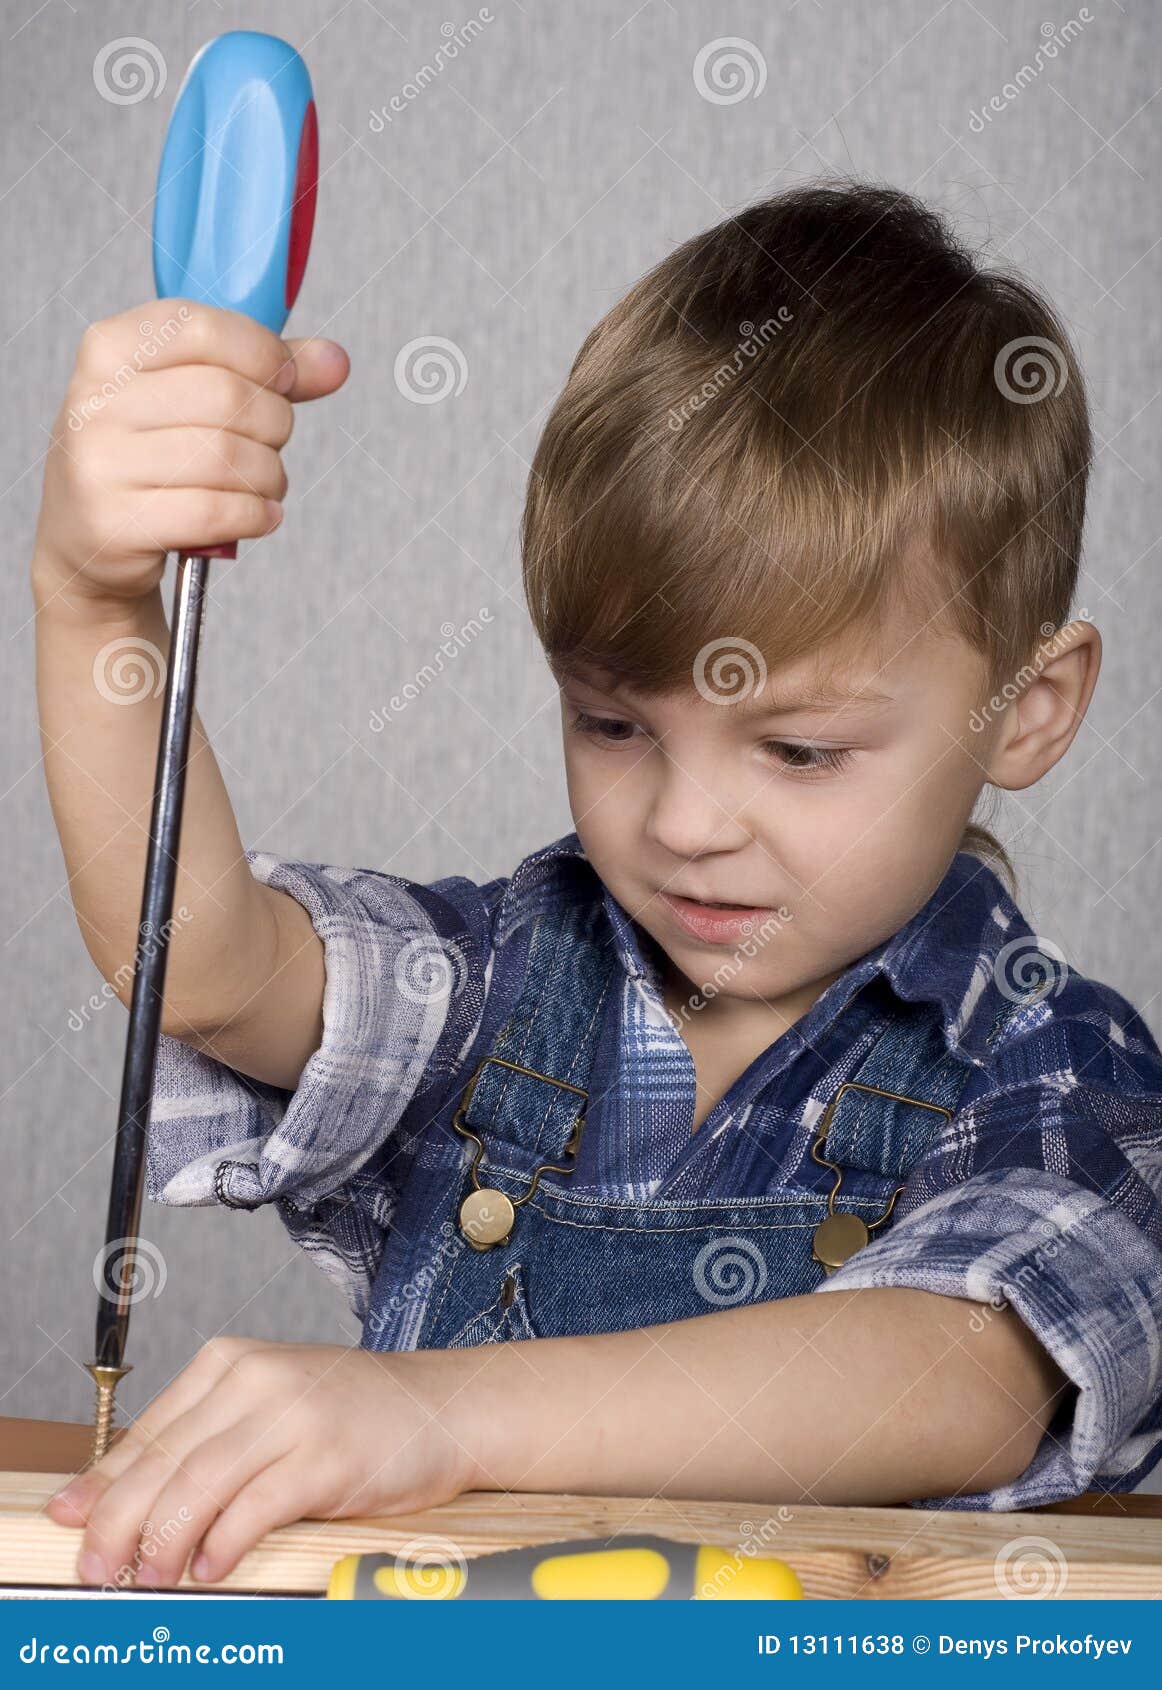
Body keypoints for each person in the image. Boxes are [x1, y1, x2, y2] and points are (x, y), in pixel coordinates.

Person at [32, 180, 1162, 1592]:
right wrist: (94, 601)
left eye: (799, 747)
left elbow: (958, 1365)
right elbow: (202, 966)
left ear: (1029, 704)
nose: (685, 821)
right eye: (612, 723)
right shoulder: (498, 978)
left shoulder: (1045, 1056)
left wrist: (426, 1413)